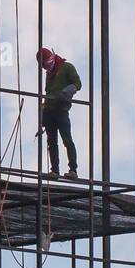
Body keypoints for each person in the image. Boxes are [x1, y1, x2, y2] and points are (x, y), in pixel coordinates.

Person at [36, 47, 81, 179]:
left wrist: (66, 92)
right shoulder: (48, 75)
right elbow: (47, 94)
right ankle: (54, 171)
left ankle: (73, 170)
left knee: (67, 140)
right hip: (49, 111)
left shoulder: (67, 67)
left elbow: (77, 84)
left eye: (48, 64)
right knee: (51, 142)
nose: (47, 68)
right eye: (44, 66)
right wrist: (41, 118)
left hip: (61, 110)